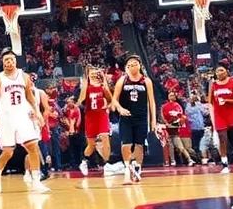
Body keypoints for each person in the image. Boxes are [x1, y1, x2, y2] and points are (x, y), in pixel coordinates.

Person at [0, 48, 48, 194]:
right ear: (2, 62)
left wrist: (38, 112)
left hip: (22, 117)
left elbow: (30, 97)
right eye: (6, 60)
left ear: (15, 61)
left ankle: (36, 181)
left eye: (11, 60)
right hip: (7, 118)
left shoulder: (24, 76)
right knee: (8, 152)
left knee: (32, 147)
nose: (9, 62)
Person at [110, 55, 155, 184]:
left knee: (139, 145)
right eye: (128, 65)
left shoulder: (146, 81)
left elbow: (151, 102)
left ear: (139, 65)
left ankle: (137, 168)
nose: (131, 66)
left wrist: (153, 121)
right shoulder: (122, 80)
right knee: (126, 144)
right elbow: (114, 99)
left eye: (134, 64)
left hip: (141, 117)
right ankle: (127, 170)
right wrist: (120, 109)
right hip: (126, 118)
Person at [77, 67, 112, 176]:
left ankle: (107, 165)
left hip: (102, 115)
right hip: (90, 117)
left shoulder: (103, 87)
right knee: (91, 145)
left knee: (105, 139)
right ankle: (84, 161)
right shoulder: (86, 88)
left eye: (95, 74)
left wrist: (105, 82)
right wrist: (86, 80)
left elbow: (110, 99)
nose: (94, 76)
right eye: (91, 74)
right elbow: (80, 100)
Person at [161, 91, 195, 166]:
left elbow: (181, 118)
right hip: (168, 132)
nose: (171, 97)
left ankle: (189, 159)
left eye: (173, 95)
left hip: (175, 132)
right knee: (170, 148)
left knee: (180, 147)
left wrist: (173, 124)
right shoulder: (164, 106)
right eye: (170, 95)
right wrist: (166, 123)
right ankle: (172, 161)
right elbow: (162, 115)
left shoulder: (178, 106)